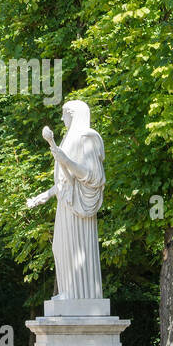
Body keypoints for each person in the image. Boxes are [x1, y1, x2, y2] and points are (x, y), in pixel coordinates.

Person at [26, 99, 106, 299]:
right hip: (66, 205)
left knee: (75, 247)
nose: (62, 118)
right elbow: (66, 181)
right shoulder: (68, 140)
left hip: (78, 208)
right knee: (60, 248)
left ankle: (79, 294)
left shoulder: (87, 137)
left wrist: (66, 160)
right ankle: (68, 292)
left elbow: (93, 176)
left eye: (65, 114)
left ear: (75, 114)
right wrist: (45, 195)